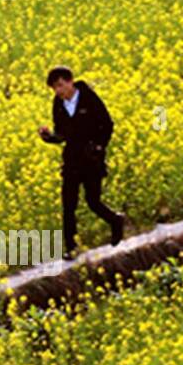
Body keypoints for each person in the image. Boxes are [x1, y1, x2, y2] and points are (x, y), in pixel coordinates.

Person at [37, 65, 126, 258]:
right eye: (55, 88)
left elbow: (108, 124)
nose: (59, 91)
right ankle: (71, 247)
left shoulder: (89, 98)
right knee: (68, 204)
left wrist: (100, 146)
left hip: (91, 159)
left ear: (70, 81)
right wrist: (49, 137)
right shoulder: (58, 104)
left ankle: (116, 220)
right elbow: (62, 133)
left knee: (93, 201)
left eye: (61, 85)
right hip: (71, 160)